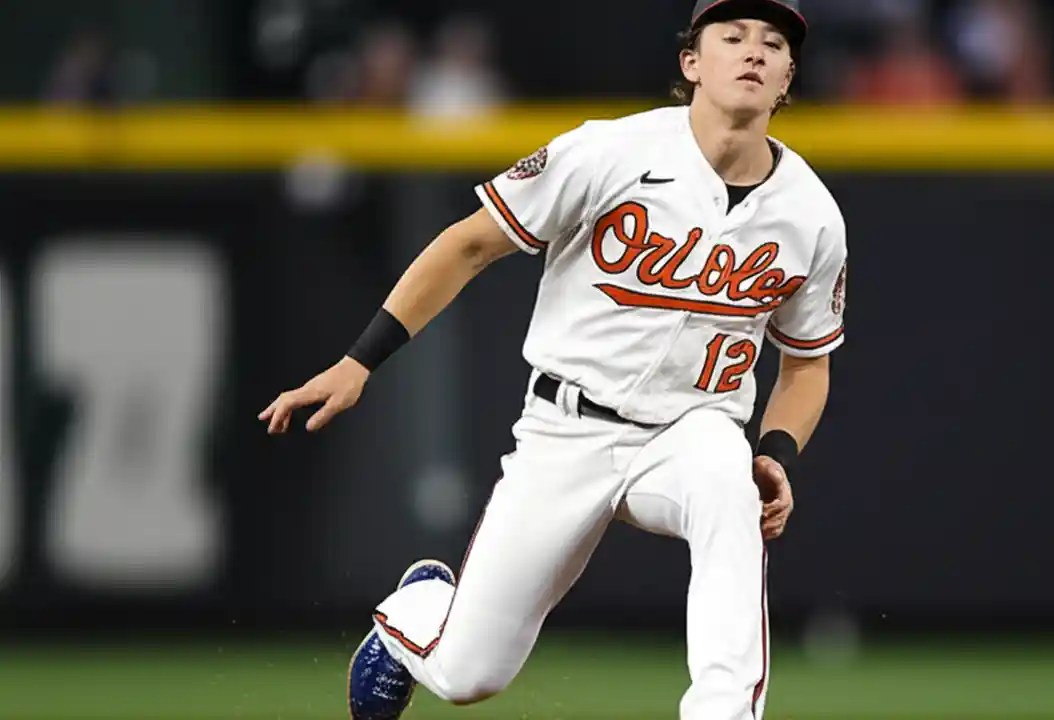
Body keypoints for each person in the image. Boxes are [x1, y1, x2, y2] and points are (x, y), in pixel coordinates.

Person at [258, 1, 848, 718]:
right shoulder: (609, 153)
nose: (754, 50)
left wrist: (777, 452)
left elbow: (806, 363)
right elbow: (469, 244)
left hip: (693, 430)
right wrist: (360, 361)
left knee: (732, 486)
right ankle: (420, 612)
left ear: (788, 77)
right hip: (569, 426)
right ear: (692, 63)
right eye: (732, 36)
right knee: (469, 675)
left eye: (773, 43)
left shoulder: (811, 214)